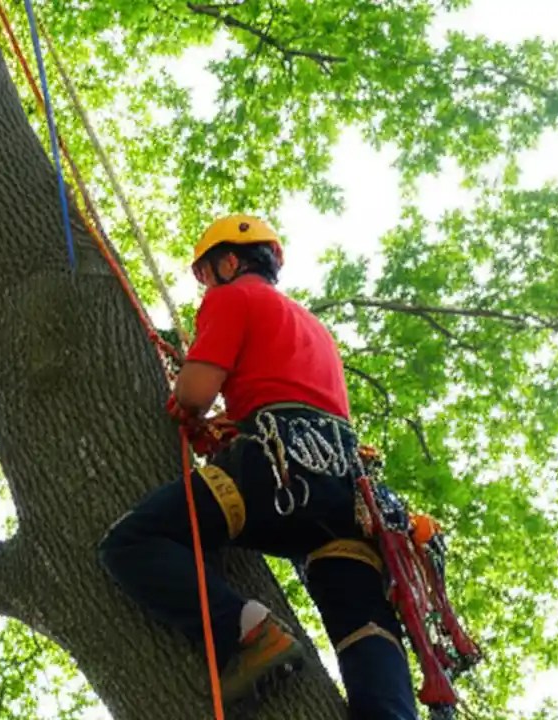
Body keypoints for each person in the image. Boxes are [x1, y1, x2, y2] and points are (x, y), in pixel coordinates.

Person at [97, 215, 419, 717]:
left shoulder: (233, 298)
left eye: (206, 274)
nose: (205, 286)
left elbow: (194, 395)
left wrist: (188, 401)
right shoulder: (314, 328)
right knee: (364, 626)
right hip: (346, 493)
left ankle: (248, 630)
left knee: (132, 542)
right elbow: (291, 396)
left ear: (229, 261)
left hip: (277, 473)